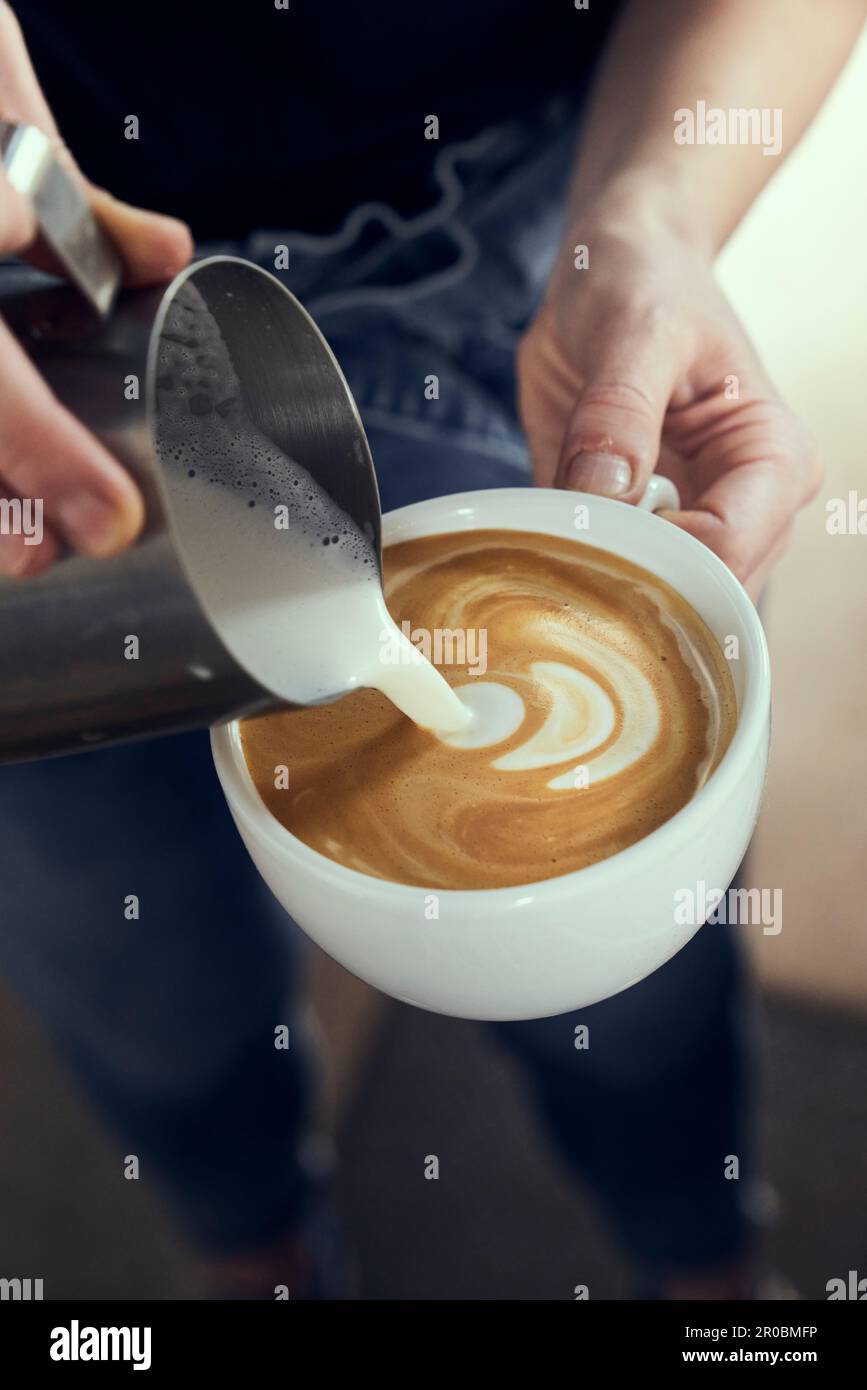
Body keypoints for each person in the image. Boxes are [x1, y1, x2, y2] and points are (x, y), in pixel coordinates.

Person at [0, 0, 859, 1298]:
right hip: (58, 327)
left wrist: (653, 221)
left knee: (639, 972)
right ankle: (257, 1254)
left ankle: (705, 1261)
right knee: (133, 966)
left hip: (526, 243)